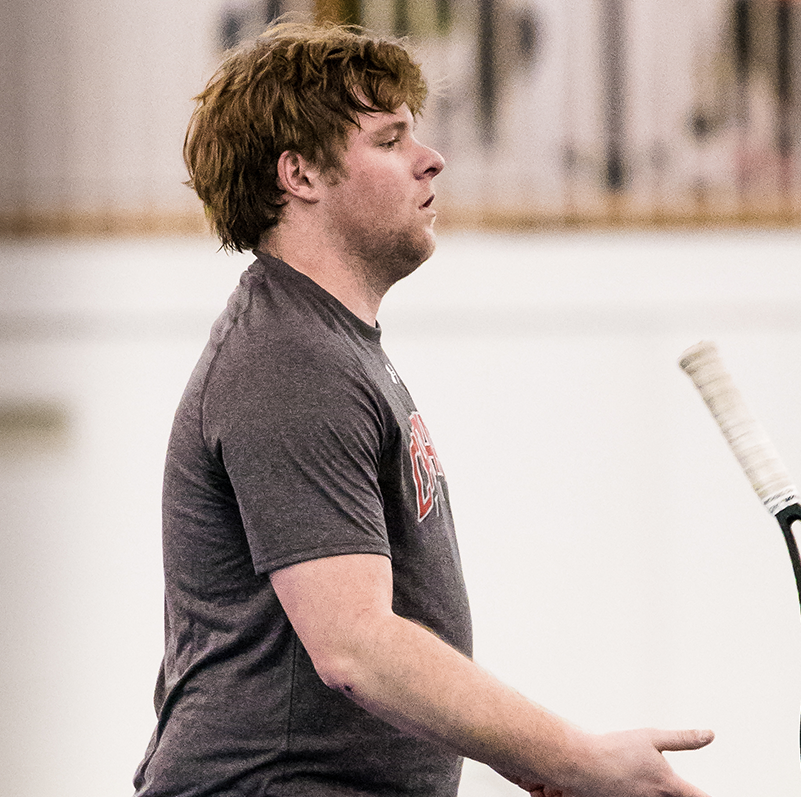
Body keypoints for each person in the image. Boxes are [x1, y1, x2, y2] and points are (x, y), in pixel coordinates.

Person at [133, 22, 713, 797]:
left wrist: (532, 756)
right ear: (300, 174)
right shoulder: (290, 359)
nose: (430, 158)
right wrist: (567, 756)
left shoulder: (327, 345)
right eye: (390, 137)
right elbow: (356, 645)